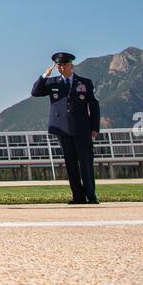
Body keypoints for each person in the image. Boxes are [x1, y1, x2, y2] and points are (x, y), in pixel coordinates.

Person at [31, 51, 101, 204]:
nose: (62, 68)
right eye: (59, 65)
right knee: (70, 163)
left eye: (65, 65)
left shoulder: (84, 83)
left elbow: (94, 106)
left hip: (82, 128)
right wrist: (44, 75)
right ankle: (78, 196)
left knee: (85, 162)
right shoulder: (52, 82)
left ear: (71, 64)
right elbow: (35, 92)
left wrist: (94, 127)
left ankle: (91, 194)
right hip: (62, 128)